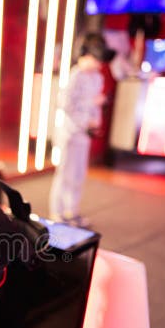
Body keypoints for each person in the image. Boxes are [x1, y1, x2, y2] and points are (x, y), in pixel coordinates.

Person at [49, 33, 114, 226]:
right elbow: (65, 104)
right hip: (69, 132)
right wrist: (89, 106)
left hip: (84, 133)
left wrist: (95, 121)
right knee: (64, 173)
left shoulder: (97, 78)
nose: (98, 64)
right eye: (96, 59)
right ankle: (57, 211)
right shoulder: (75, 76)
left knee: (78, 174)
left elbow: (95, 106)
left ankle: (72, 210)